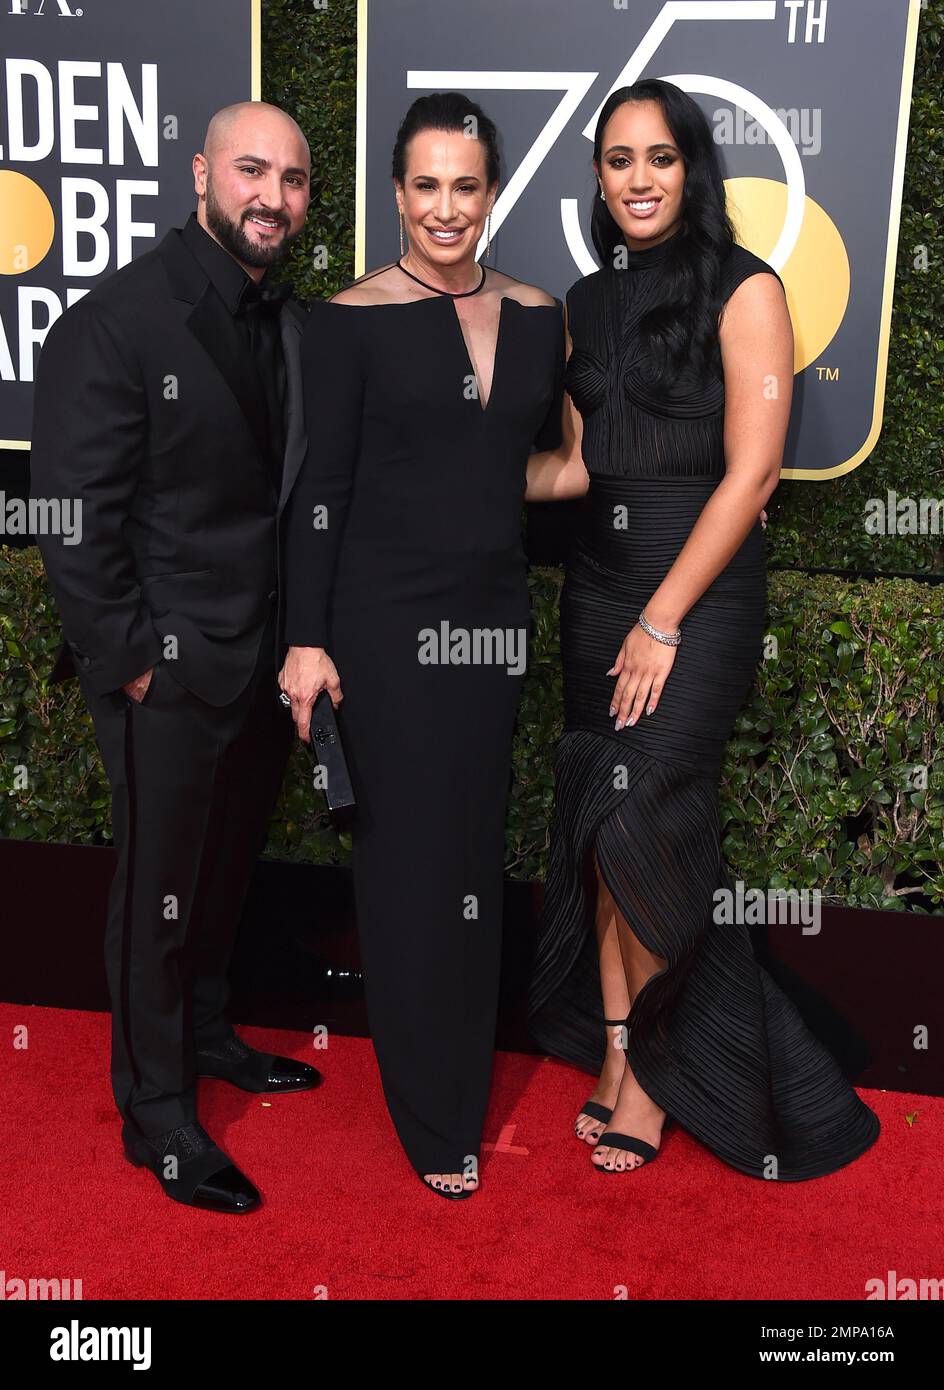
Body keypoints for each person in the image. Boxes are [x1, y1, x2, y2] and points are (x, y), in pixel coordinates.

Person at [526, 81, 880, 1179]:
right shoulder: (581, 304)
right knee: (596, 832)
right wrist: (447, 472)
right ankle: (622, 1047)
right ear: (596, 176)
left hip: (694, 598)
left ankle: (660, 1074)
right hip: (596, 588)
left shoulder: (746, 289)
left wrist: (663, 619)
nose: (637, 179)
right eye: (617, 160)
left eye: (659, 158)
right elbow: (580, 465)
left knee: (645, 822)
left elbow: (753, 468)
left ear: (691, 170)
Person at [30, 102, 321, 1214]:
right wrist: (132, 660)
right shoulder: (119, 322)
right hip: (168, 670)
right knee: (155, 894)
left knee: (220, 875)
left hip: (255, 665)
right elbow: (72, 512)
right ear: (201, 171)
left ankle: (207, 1038)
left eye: (292, 181)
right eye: (252, 170)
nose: (272, 196)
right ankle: (156, 1119)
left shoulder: (282, 317)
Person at [280, 92, 565, 1199]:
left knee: (472, 853)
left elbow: (535, 467)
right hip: (383, 628)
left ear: (491, 192)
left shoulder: (539, 314)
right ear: (396, 194)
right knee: (405, 865)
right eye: (426, 185)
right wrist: (306, 643)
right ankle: (434, 1112)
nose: (447, 207)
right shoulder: (346, 321)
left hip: (492, 622)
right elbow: (320, 494)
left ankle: (459, 1065)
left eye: (467, 184)